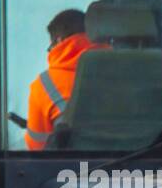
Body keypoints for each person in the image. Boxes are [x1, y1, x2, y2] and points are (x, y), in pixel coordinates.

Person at [24, 9, 103, 150]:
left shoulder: (43, 84)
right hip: (139, 169)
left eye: (51, 46)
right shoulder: (131, 69)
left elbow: (37, 148)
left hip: (70, 170)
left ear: (59, 41)